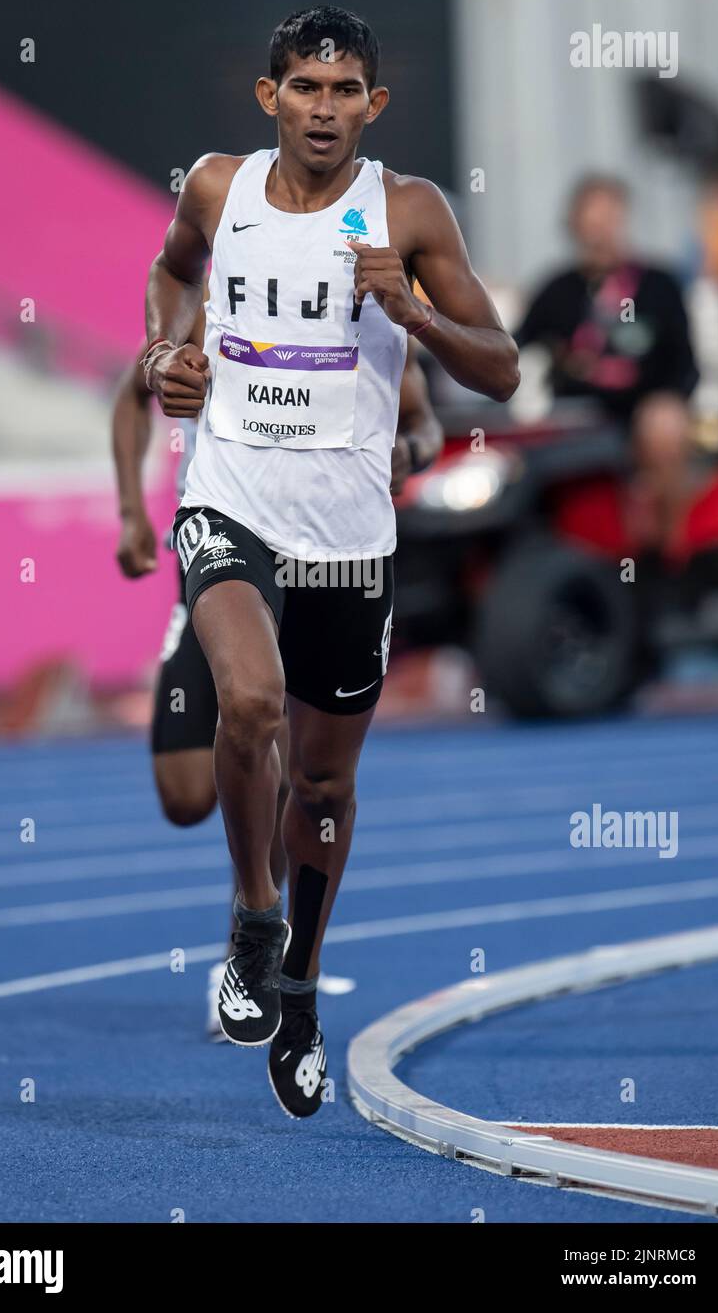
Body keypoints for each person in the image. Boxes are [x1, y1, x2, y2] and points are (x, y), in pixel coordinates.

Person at [143, 5, 518, 1117]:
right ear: (271, 99)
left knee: (325, 780)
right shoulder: (218, 187)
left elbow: (498, 369)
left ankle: (299, 985)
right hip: (231, 500)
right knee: (248, 699)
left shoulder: (408, 210)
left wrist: (412, 310)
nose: (324, 108)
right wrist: (168, 349)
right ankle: (256, 914)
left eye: (345, 89)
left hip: (349, 539)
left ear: (374, 104)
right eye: (305, 87)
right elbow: (170, 275)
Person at [111, 323, 442, 1040]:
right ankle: (255, 917)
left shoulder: (365, 332)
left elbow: (425, 425)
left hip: (317, 566)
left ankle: (250, 944)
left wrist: (404, 453)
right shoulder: (219, 303)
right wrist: (134, 510)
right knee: (184, 794)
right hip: (217, 563)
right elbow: (130, 397)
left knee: (287, 749)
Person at [516, 174, 699, 550]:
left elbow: (686, 363)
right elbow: (513, 351)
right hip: (573, 412)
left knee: (664, 427)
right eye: (590, 225)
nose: (599, 235)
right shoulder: (557, 289)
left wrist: (668, 403)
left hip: (643, 410)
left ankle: (669, 553)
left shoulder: (659, 284)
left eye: (608, 222)